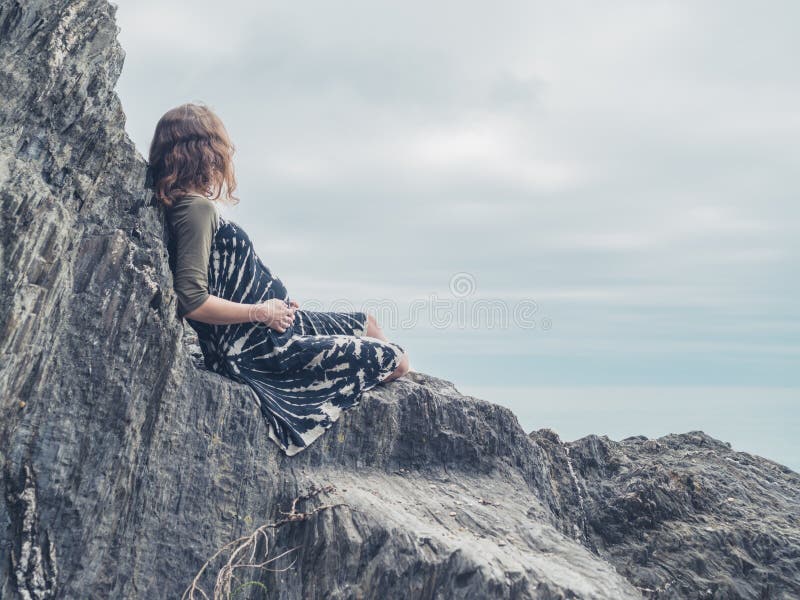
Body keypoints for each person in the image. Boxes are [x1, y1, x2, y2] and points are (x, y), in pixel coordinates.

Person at [145, 102, 410, 456]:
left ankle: (336, 371)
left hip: (274, 324)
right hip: (259, 348)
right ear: (203, 152)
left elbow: (225, 276)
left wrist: (271, 303)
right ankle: (330, 386)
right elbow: (191, 300)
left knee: (368, 322)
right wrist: (261, 312)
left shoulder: (186, 206)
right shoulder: (197, 209)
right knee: (397, 359)